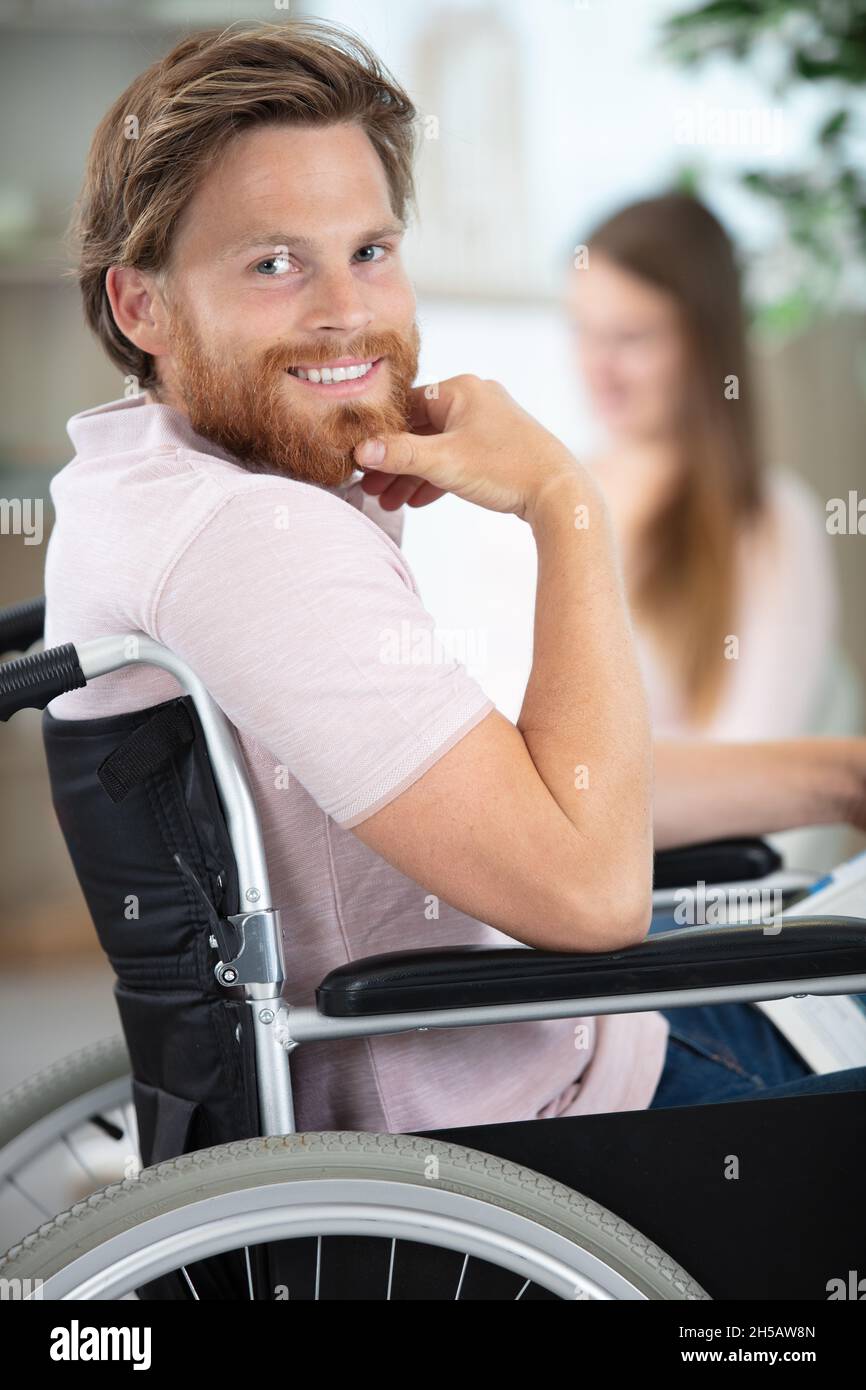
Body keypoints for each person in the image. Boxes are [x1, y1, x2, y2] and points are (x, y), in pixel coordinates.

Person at [45, 20, 866, 1129]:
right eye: (274, 263)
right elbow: (587, 889)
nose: (347, 311)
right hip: (574, 1108)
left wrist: (835, 776)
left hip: (533, 1047)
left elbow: (526, 801)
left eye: (370, 251)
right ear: (139, 304)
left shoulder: (135, 481)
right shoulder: (251, 538)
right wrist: (559, 502)